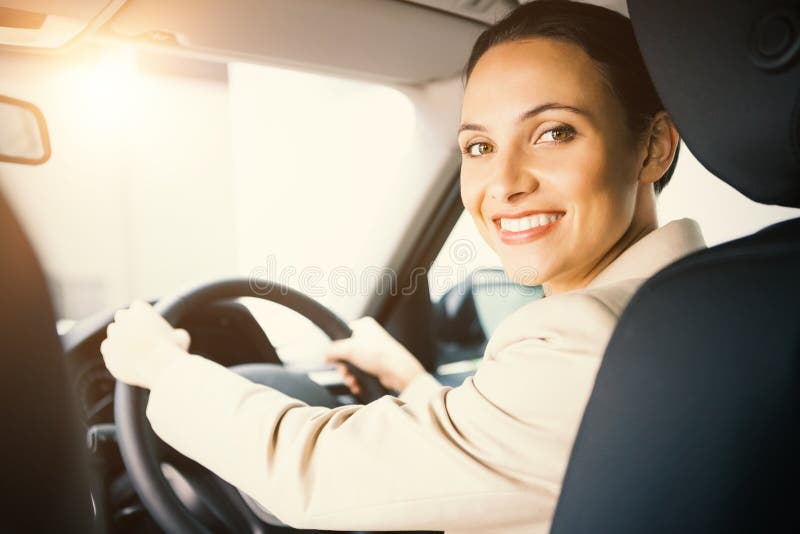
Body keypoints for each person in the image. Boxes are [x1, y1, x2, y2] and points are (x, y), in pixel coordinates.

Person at [101, 1, 706, 532]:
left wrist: (162, 367)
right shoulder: (698, 305)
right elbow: (516, 447)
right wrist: (411, 378)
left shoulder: (589, 342)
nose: (505, 182)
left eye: (553, 133)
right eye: (479, 146)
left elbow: (315, 473)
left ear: (652, 146)